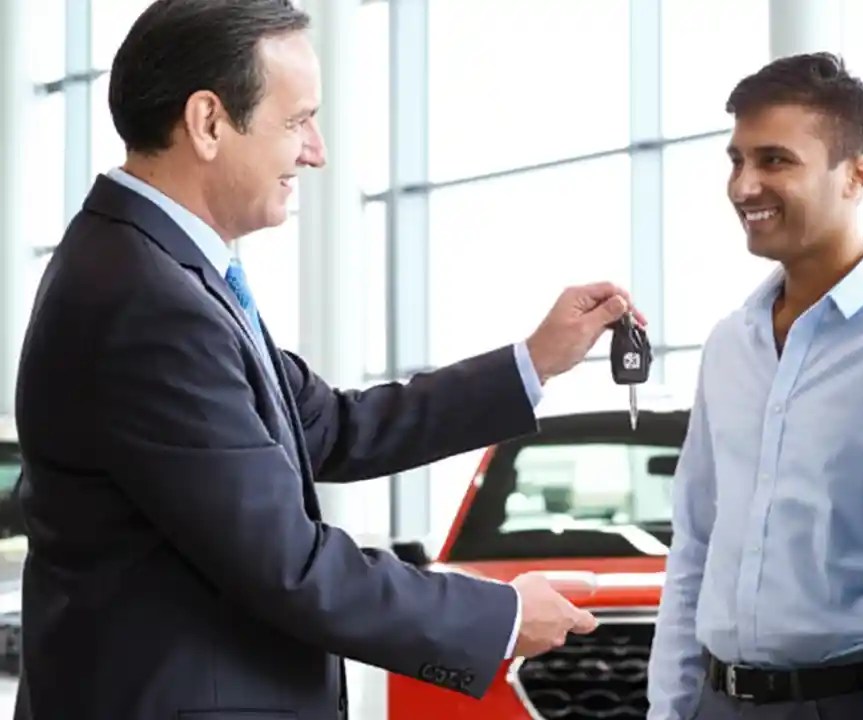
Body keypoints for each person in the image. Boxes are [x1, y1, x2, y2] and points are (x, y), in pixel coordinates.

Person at [11, 2, 643, 718]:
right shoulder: (146, 301)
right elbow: (288, 564)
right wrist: (497, 618)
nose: (316, 151)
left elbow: (332, 426)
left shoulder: (164, 271)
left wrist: (535, 362)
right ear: (209, 122)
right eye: (296, 121)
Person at [646, 53, 863, 720]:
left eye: (774, 160)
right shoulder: (728, 344)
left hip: (850, 703)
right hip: (716, 702)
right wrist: (669, 708)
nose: (744, 186)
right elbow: (695, 543)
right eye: (736, 160)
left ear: (857, 176)